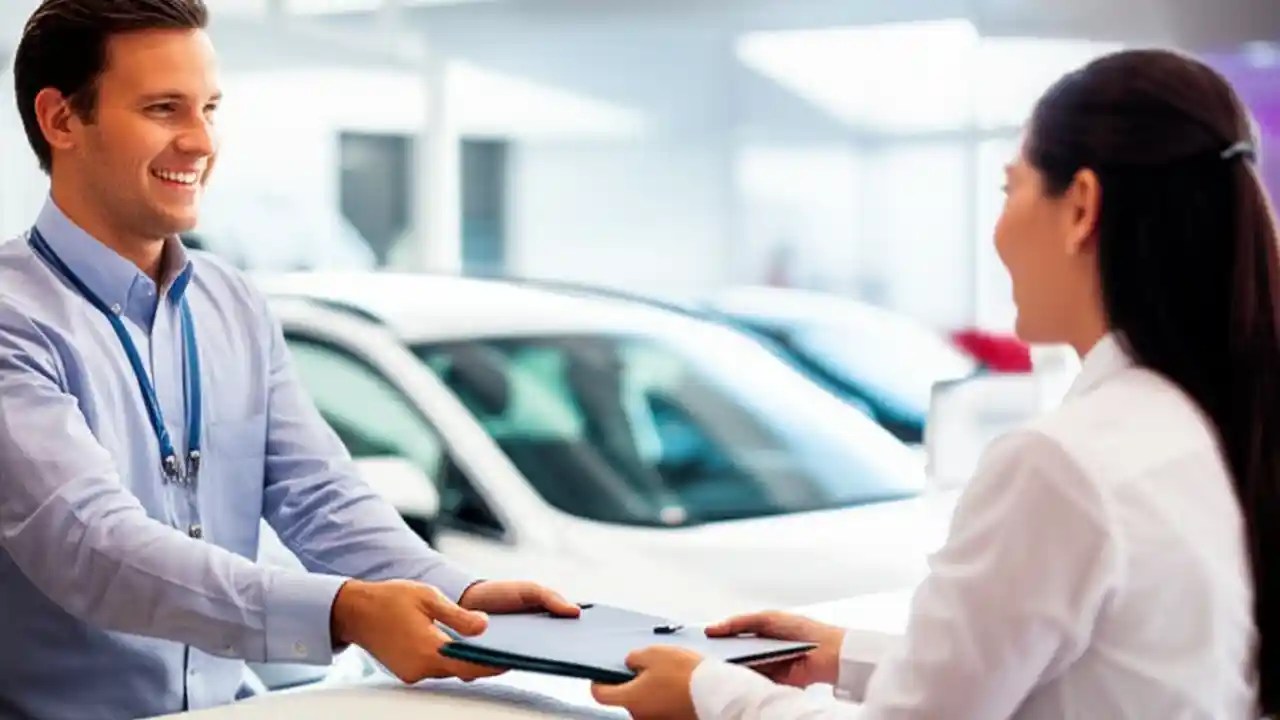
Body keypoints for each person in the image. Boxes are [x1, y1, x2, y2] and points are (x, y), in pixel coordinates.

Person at [591, 48, 1280, 719]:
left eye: (1010, 190)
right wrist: (839, 655)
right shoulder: (1199, 427)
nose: (998, 231)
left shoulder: (1062, 464)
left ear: (1080, 207)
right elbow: (1062, 669)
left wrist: (712, 695)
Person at [0, 1, 580, 717]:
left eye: (210, 107)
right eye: (163, 109)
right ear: (60, 120)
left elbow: (319, 493)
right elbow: (91, 545)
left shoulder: (233, 303)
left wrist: (455, 595)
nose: (201, 140)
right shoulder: (12, 318)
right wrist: (342, 611)